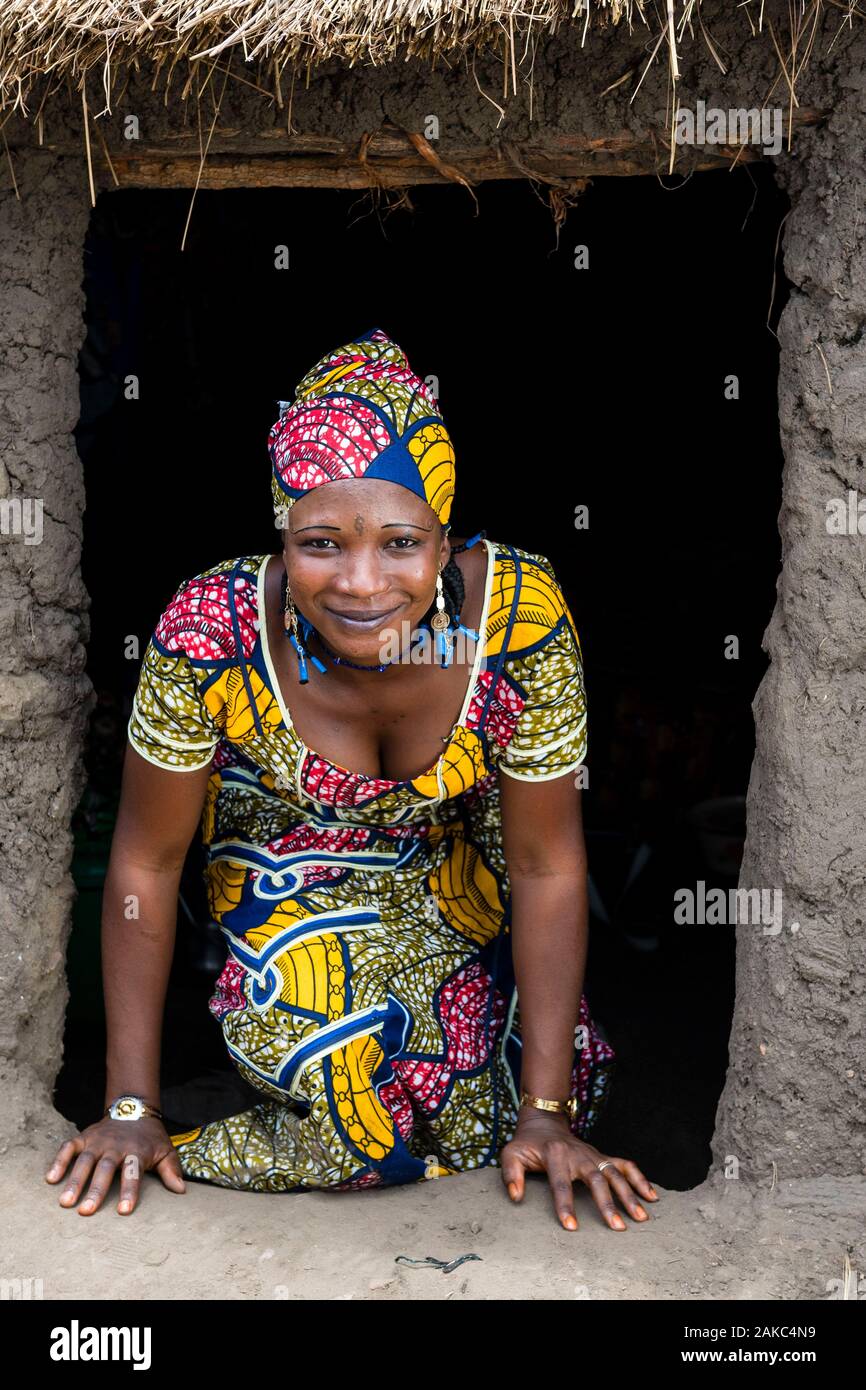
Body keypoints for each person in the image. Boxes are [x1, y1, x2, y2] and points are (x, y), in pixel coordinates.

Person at [46, 327, 658, 1232]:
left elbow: (547, 866)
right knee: (345, 1100)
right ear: (282, 537)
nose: (363, 584)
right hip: (288, 853)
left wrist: (548, 1113)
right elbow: (142, 865)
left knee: (510, 1098)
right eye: (321, 543)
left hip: (461, 852)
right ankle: (193, 1119)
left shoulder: (520, 620)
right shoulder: (209, 630)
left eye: (402, 542)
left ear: (445, 539)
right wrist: (130, 1107)